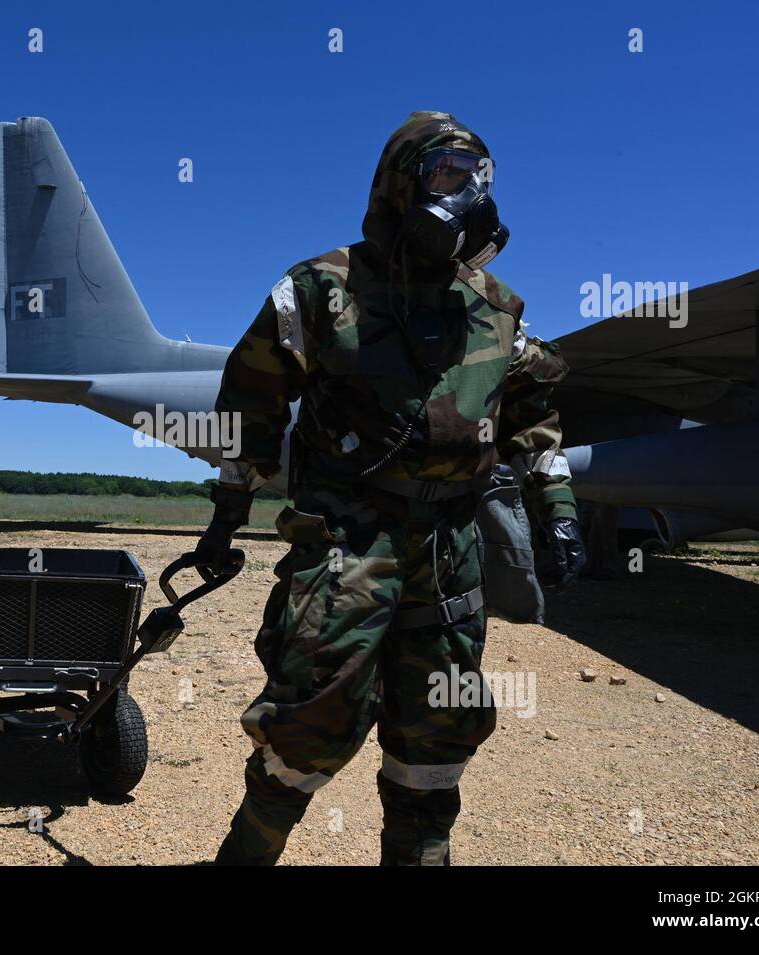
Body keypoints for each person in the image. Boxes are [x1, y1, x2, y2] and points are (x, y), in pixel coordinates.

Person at [196, 112, 586, 865]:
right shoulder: (321, 289)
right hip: (350, 535)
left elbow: (534, 416)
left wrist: (558, 511)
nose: (466, 193)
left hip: (450, 547)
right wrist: (226, 513)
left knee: (441, 724)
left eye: (479, 180)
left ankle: (421, 855)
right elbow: (250, 405)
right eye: (447, 175)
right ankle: (247, 851)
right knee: (312, 712)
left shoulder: (497, 309)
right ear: (401, 182)